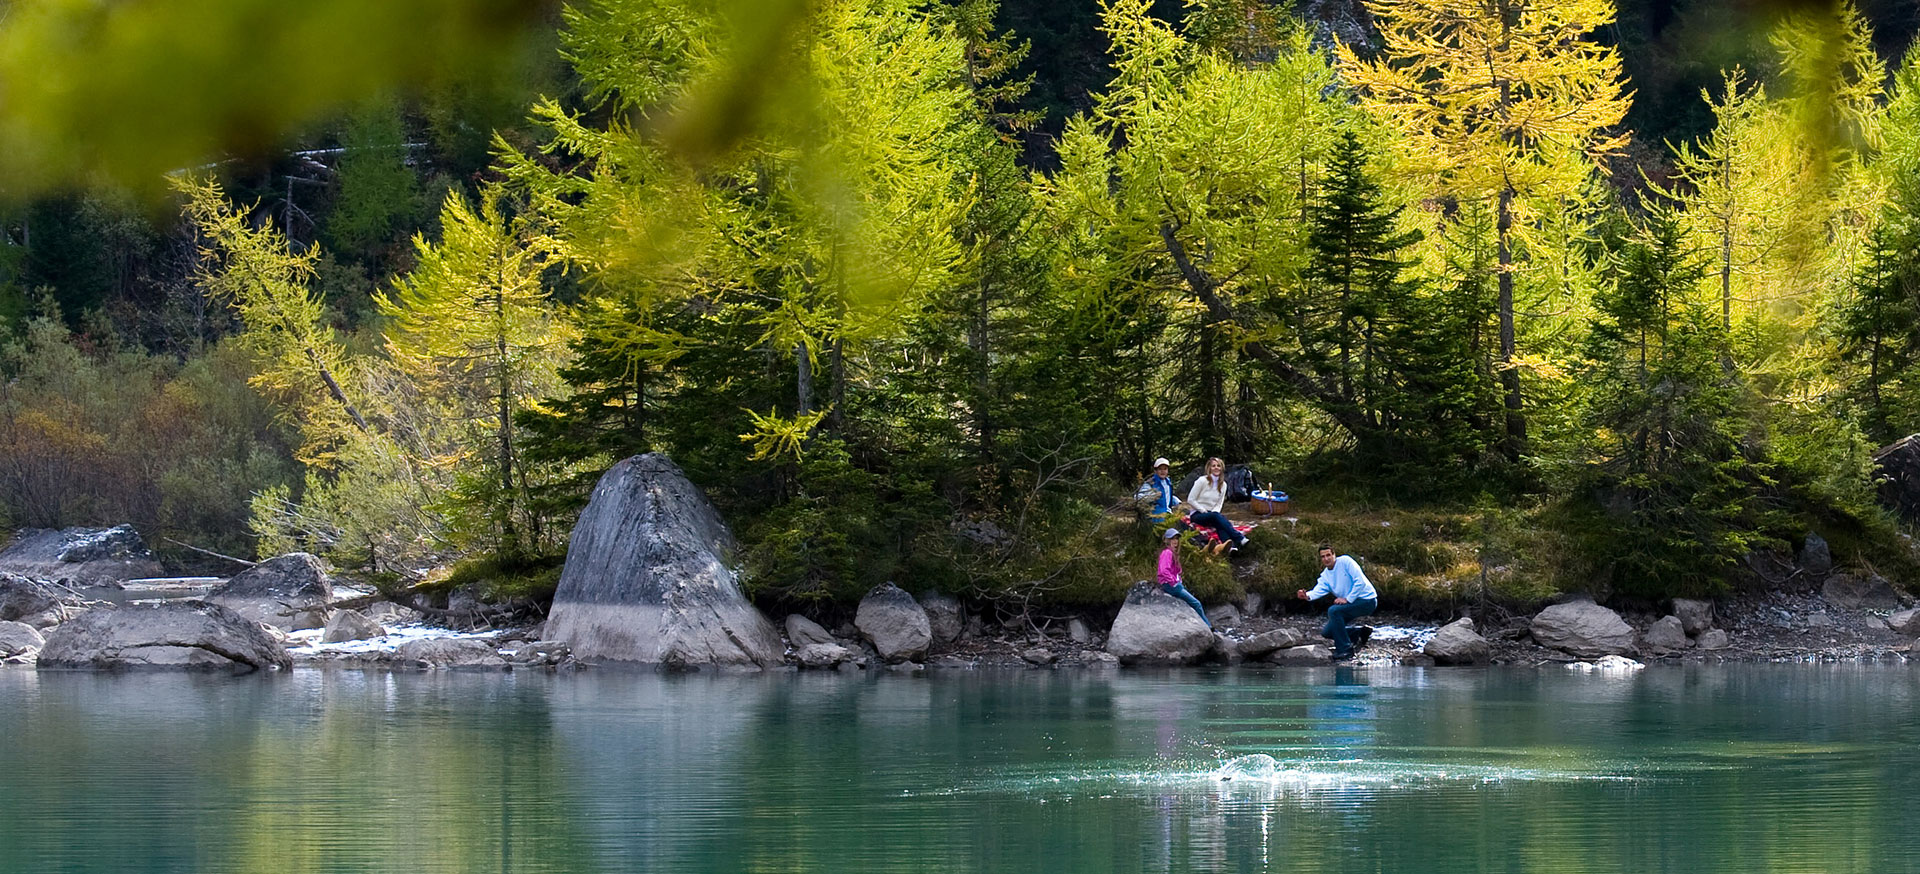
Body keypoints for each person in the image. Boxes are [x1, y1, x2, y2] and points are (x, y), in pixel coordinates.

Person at [1296, 544, 1378, 661]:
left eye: (1328, 555)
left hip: (1367, 600)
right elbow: (1319, 589)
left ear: (1334, 555)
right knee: (1327, 632)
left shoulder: (1346, 561)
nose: (1326, 559)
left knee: (1333, 611)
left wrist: (1347, 599)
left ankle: (1345, 650)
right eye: (1323, 556)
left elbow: (1360, 582)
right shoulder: (1325, 575)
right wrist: (1307, 596)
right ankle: (1359, 632)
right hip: (1351, 604)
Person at [1183, 457, 1248, 555]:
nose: (1216, 468)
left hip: (1212, 514)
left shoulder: (1223, 485)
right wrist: (1203, 510)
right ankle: (1239, 538)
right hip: (1198, 514)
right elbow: (1191, 499)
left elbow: (1219, 504)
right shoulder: (1202, 481)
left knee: (1219, 523)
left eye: (1218, 466)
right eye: (1213, 466)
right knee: (1216, 517)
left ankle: (1231, 547)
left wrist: (1215, 512)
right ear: (1209, 468)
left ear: (1222, 468)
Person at [1158, 528, 1211, 628]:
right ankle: (1208, 626)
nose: (1175, 541)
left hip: (1174, 583)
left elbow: (1175, 571)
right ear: (1167, 540)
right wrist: (1173, 582)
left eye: (1176, 538)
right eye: (1172, 538)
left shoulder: (1172, 553)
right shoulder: (1167, 553)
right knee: (1196, 604)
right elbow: (1163, 570)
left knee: (1191, 602)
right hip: (1170, 585)